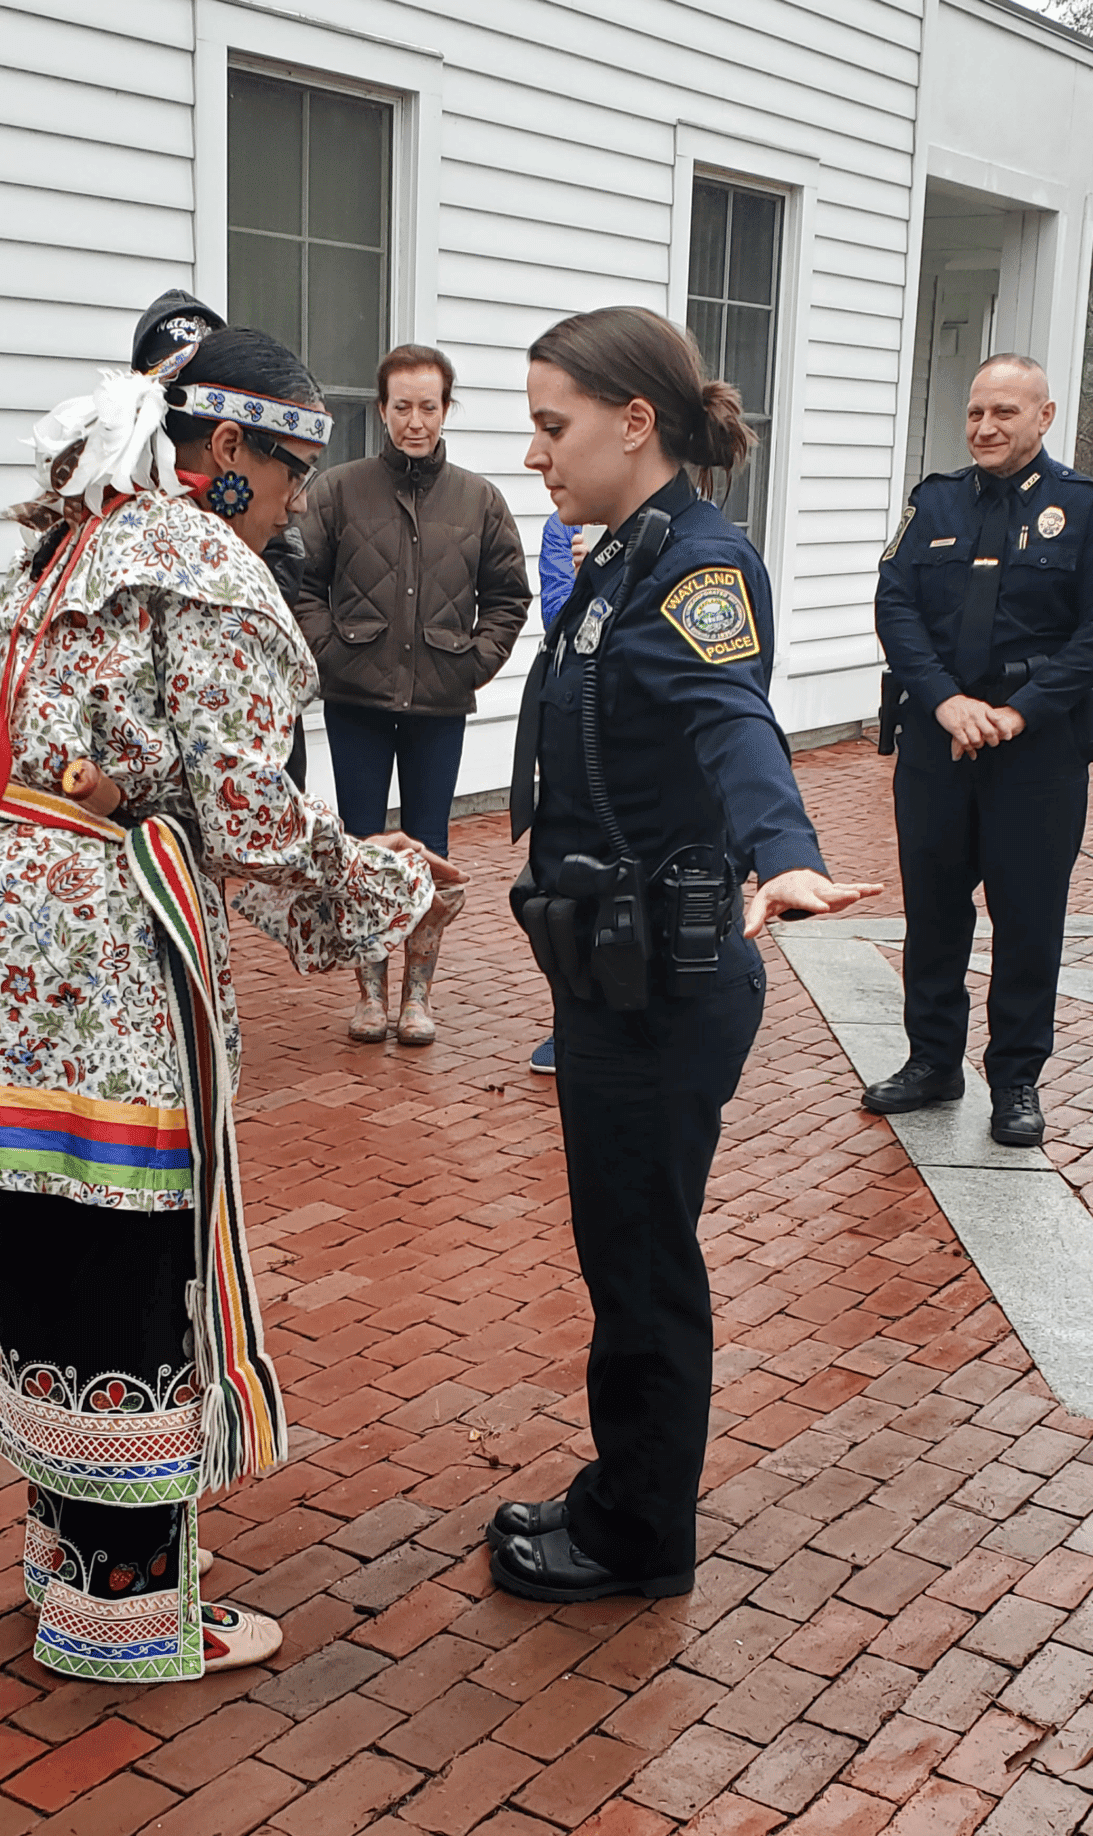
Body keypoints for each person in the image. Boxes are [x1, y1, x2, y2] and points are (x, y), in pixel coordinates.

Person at [0, 297, 464, 1681]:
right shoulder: (203, 563)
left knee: (37, 1259)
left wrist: (129, 790)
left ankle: (65, 1568)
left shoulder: (65, 540)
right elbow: (252, 824)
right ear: (235, 447)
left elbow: (7, 739)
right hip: (104, 977)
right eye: (297, 475)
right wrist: (386, 887)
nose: (297, 509)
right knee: (130, 1267)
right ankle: (128, 1612)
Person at [493, 304, 879, 1604]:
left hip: (668, 979)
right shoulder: (619, 554)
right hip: (613, 971)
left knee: (646, 1263)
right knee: (623, 1251)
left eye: (554, 425)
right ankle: (623, 1497)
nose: (538, 451)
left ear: (633, 421)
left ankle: (636, 1537)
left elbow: (732, 720)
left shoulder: (702, 567)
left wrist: (783, 850)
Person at [865, 354, 1093, 1148]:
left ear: (1044, 416)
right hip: (939, 745)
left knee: (1029, 920)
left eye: (1004, 412)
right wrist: (946, 700)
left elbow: (1090, 638)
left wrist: (1021, 711)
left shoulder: (1083, 509)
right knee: (932, 912)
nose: (985, 428)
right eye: (975, 413)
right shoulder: (934, 502)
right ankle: (932, 1062)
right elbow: (896, 607)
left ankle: (1017, 1081)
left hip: (1038, 755)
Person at [297, 343, 530, 1044]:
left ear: (445, 410)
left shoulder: (479, 500)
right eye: (403, 407)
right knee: (365, 848)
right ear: (382, 409)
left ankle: (417, 997)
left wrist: (469, 666)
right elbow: (302, 586)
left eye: (429, 407)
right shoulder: (338, 491)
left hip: (439, 705)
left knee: (430, 847)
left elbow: (508, 598)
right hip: (356, 705)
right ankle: (369, 995)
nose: (416, 422)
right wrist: (334, 655)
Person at [529, 510, 587, 1075]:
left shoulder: (694, 530)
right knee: (563, 879)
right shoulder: (564, 528)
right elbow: (556, 618)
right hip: (573, 728)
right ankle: (568, 1024)